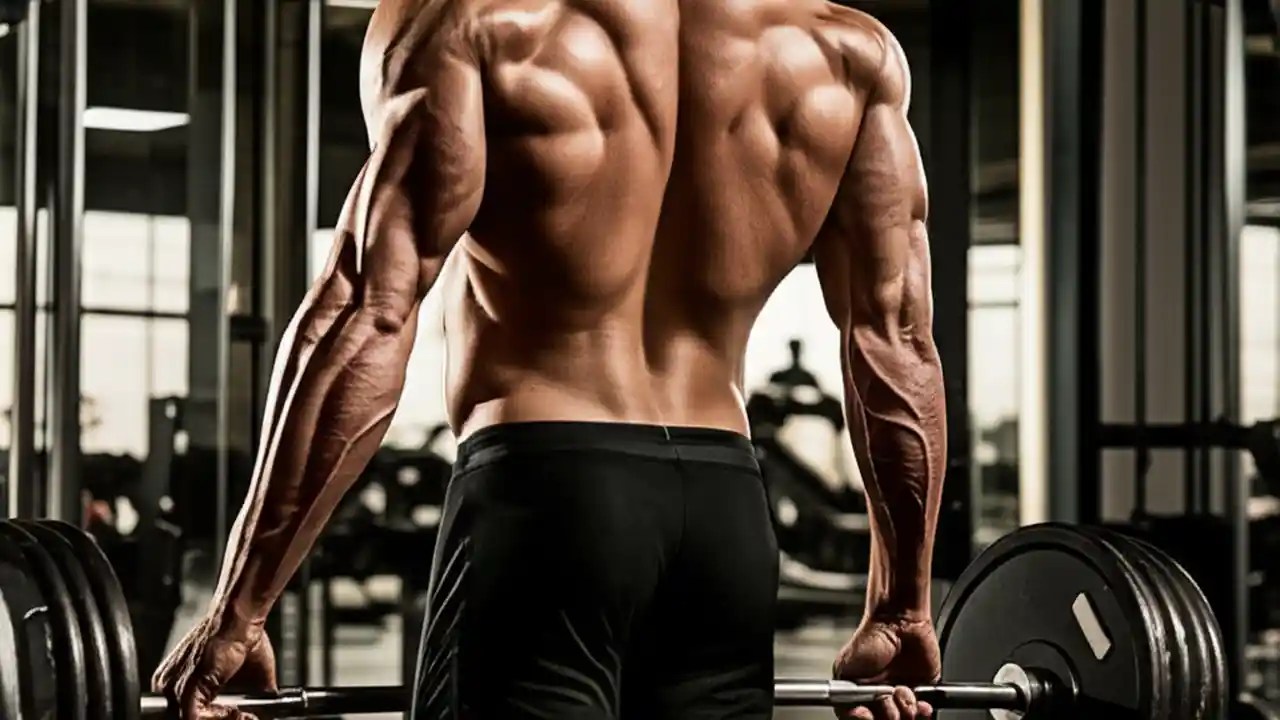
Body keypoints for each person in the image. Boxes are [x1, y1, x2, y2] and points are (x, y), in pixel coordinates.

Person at [151, 0, 947, 718]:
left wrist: (240, 608)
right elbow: (897, 345)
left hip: (546, 496)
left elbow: (366, 312)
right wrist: (902, 607)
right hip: (725, 514)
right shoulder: (846, 55)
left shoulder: (474, 23)